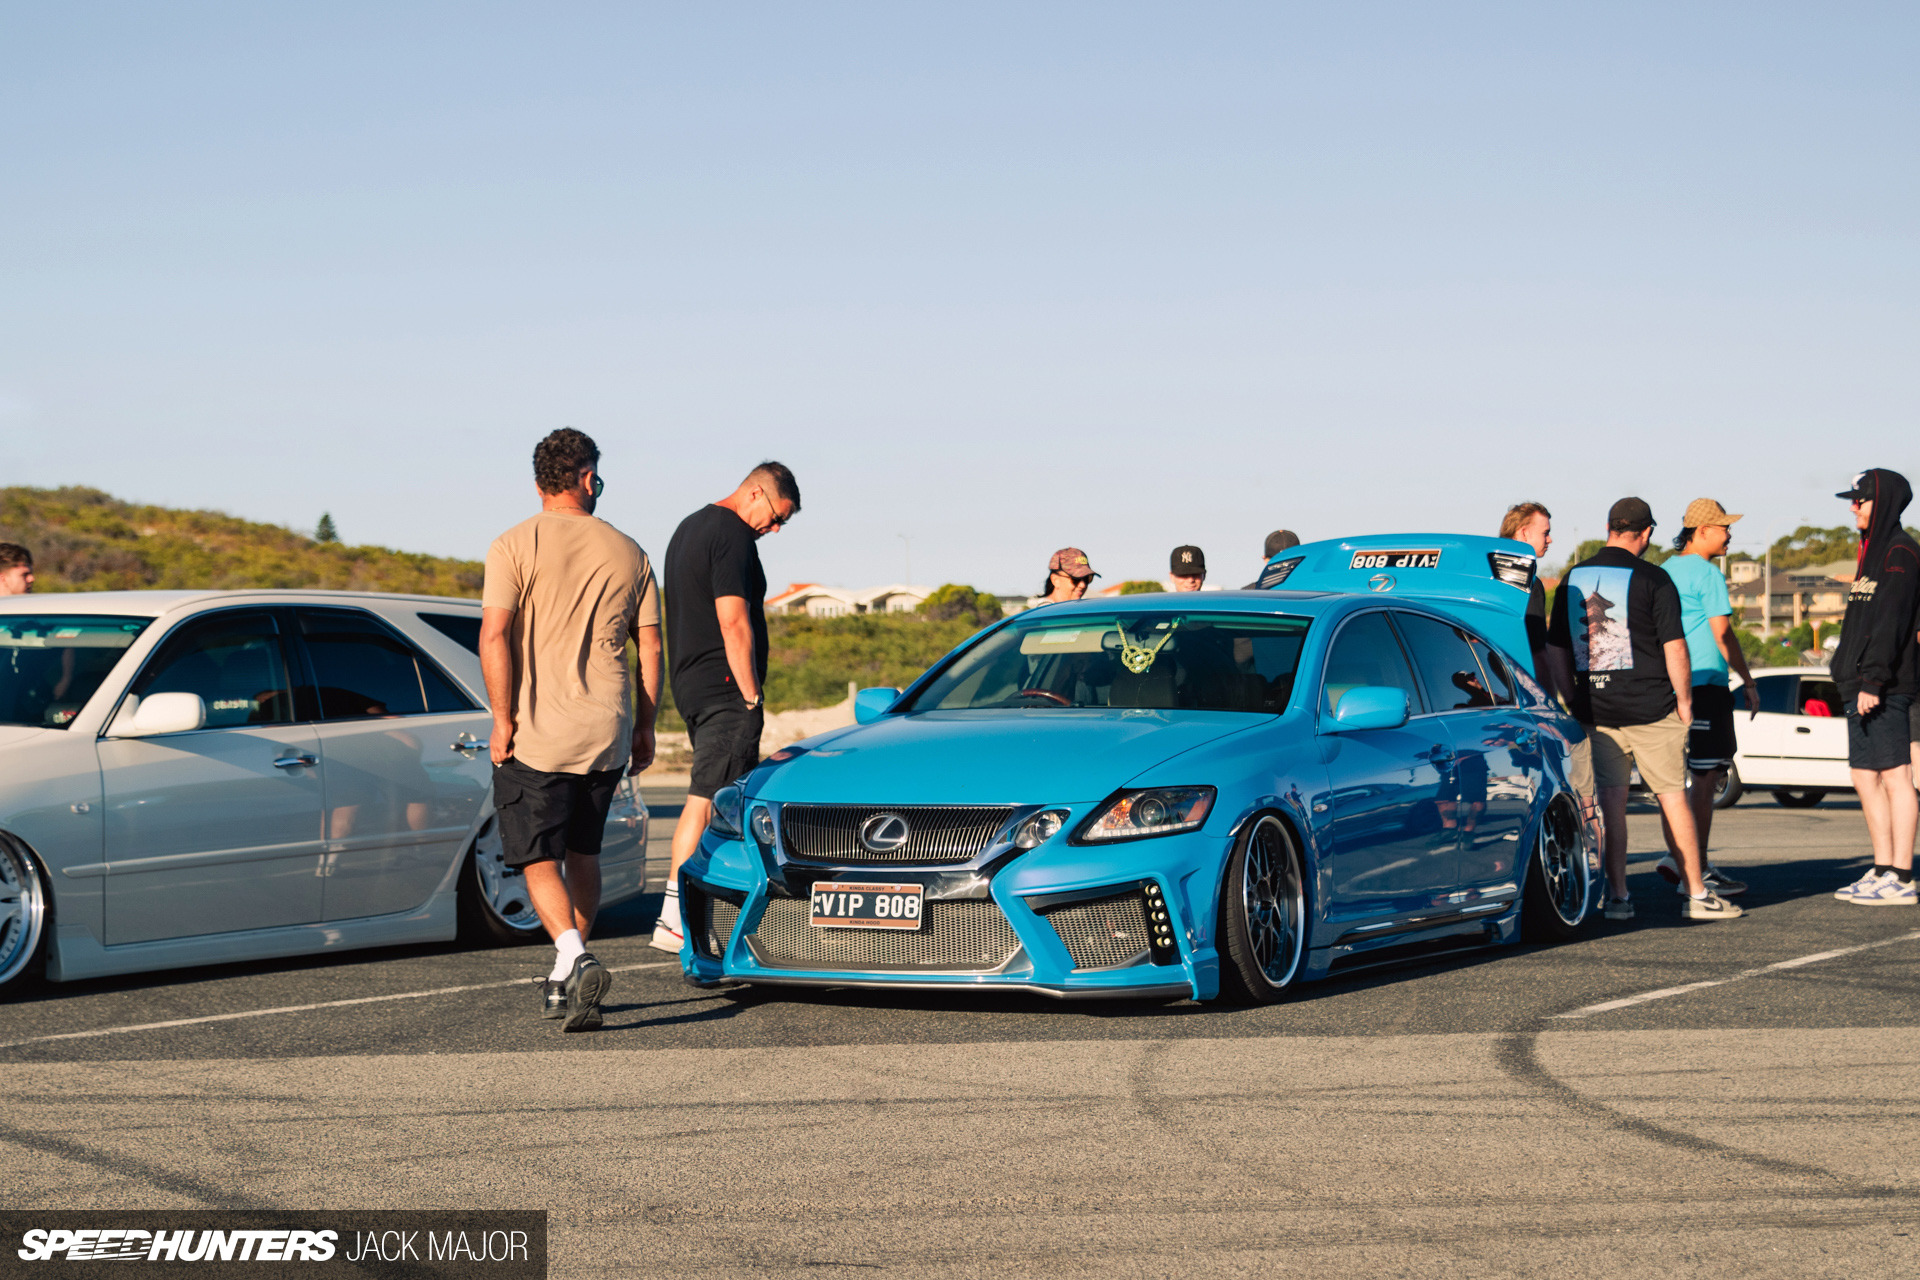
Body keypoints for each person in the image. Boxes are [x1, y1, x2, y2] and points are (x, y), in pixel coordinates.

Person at [480, 428, 665, 1030]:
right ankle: (567, 982)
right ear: (588, 478)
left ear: (539, 483)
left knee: (538, 857)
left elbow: (493, 638)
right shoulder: (631, 552)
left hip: (540, 729)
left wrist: (503, 719)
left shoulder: (512, 545)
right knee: (584, 850)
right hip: (606, 726)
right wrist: (646, 725)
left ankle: (572, 954)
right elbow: (651, 648)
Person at [1547, 497, 1741, 922]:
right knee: (1674, 799)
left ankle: (1617, 898)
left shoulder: (1572, 578)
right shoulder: (1654, 578)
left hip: (1597, 712)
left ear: (1609, 527)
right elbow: (1675, 645)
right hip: (1653, 709)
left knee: (1610, 807)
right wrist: (1685, 701)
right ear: (1647, 533)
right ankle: (1696, 894)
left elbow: (1557, 645)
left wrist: (1571, 697)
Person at [654, 461, 801, 951]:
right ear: (756, 492)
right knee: (709, 798)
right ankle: (677, 919)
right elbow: (733, 620)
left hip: (693, 685)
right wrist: (751, 695)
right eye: (777, 516)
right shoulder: (733, 534)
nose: (775, 529)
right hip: (724, 689)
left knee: (715, 797)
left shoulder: (689, 527)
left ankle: (694, 917)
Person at [1655, 499, 1758, 898]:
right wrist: (1747, 679)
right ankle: (1694, 867)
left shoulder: (1662, 570)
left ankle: (1677, 857)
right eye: (1723, 527)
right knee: (1705, 775)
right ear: (1701, 531)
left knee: (1677, 777)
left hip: (1670, 683)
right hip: (1706, 683)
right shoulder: (1707, 573)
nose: (1729, 534)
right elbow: (1723, 634)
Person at [1829, 470, 1920, 906]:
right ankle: (1883, 867)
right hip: (1857, 682)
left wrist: (1873, 679)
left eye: (1859, 500)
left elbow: (1891, 623)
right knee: (1864, 776)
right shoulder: (1871, 553)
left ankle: (1902, 876)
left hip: (1884, 685)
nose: (1853, 507)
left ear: (1880, 503)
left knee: (1895, 775)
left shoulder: (1900, 552)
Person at [1031, 548, 1098, 607]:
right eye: (1075, 579)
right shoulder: (1045, 615)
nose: (1082, 585)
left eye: (1086, 578)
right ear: (1055, 580)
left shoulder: (1083, 611)